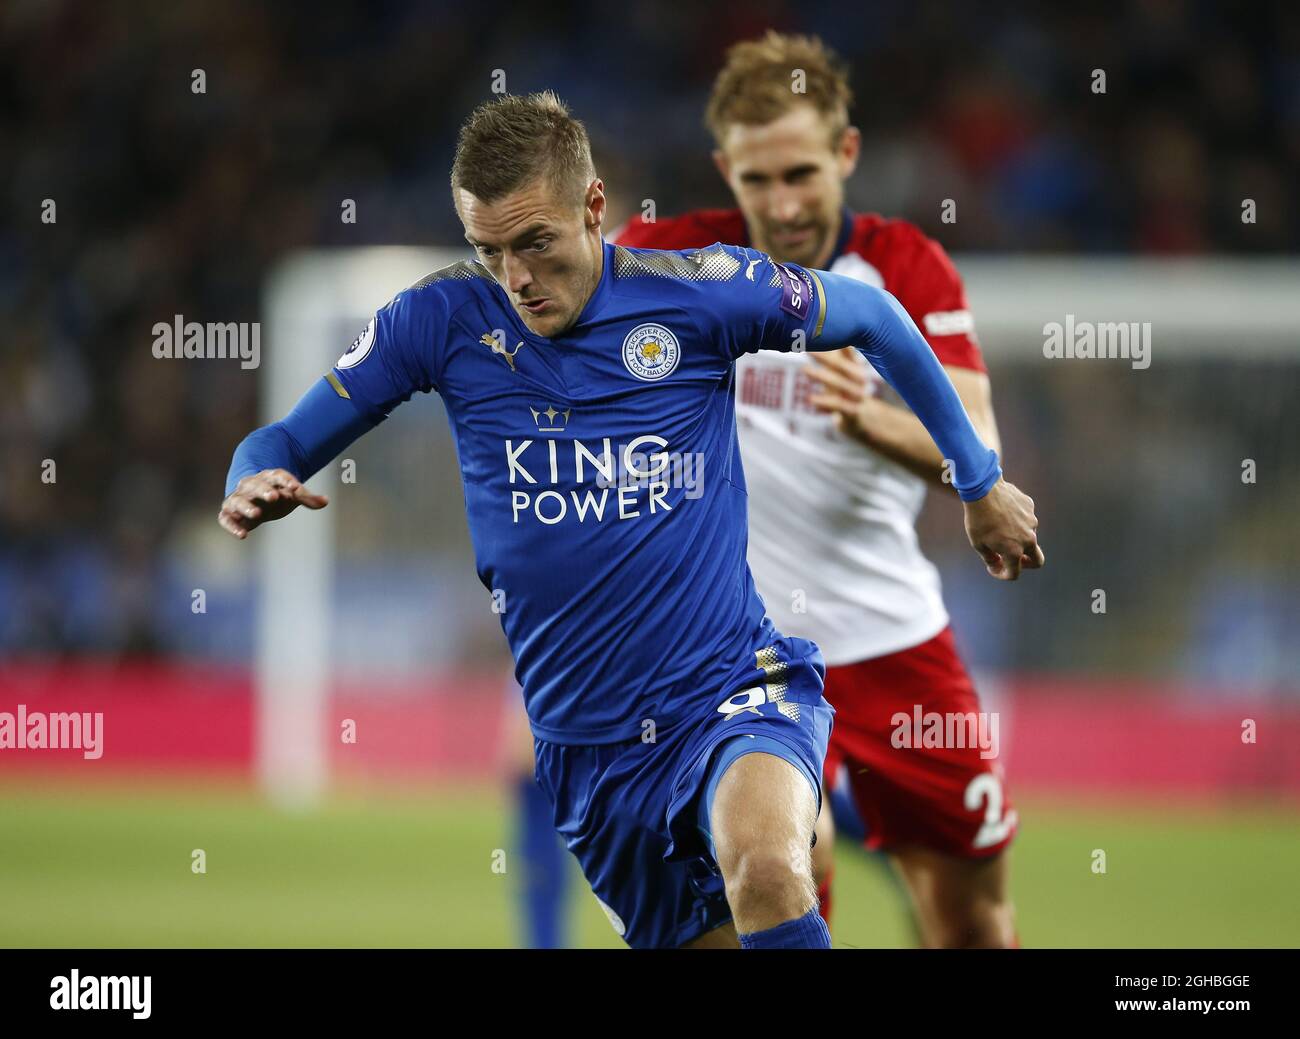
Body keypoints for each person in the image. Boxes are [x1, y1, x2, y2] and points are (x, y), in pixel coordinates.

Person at [219, 91, 1042, 949]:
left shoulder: (700, 296)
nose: (517, 280)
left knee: (765, 864)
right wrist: (254, 477)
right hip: (589, 750)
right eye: (489, 250)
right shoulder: (439, 319)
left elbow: (877, 318)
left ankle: (802, 819)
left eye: (536, 242)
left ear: (595, 207)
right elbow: (282, 437)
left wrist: (978, 482)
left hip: (731, 689)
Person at [614, 32, 1023, 947]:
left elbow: (977, 444)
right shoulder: (671, 259)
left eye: (802, 171)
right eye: (757, 180)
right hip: (736, 656)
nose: (783, 203)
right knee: (783, 866)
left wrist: (870, 415)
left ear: (846, 154)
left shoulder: (904, 267)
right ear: (726, 169)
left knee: (971, 921)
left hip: (892, 642)